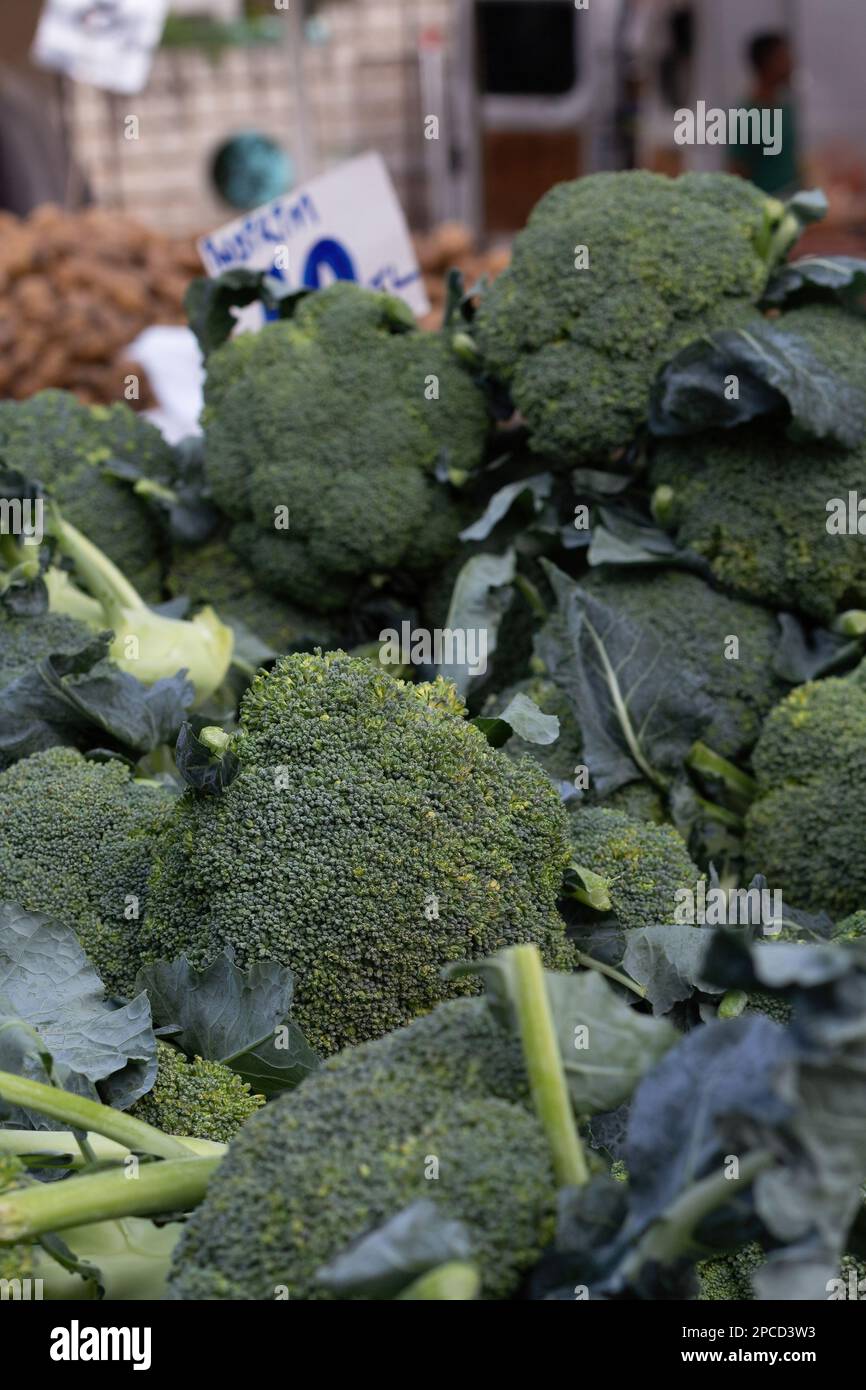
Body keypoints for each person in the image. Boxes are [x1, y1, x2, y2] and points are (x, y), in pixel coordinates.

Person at [727, 32, 800, 195]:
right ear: (767, 63)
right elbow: (737, 172)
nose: (791, 65)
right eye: (784, 58)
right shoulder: (747, 116)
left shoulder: (785, 108)